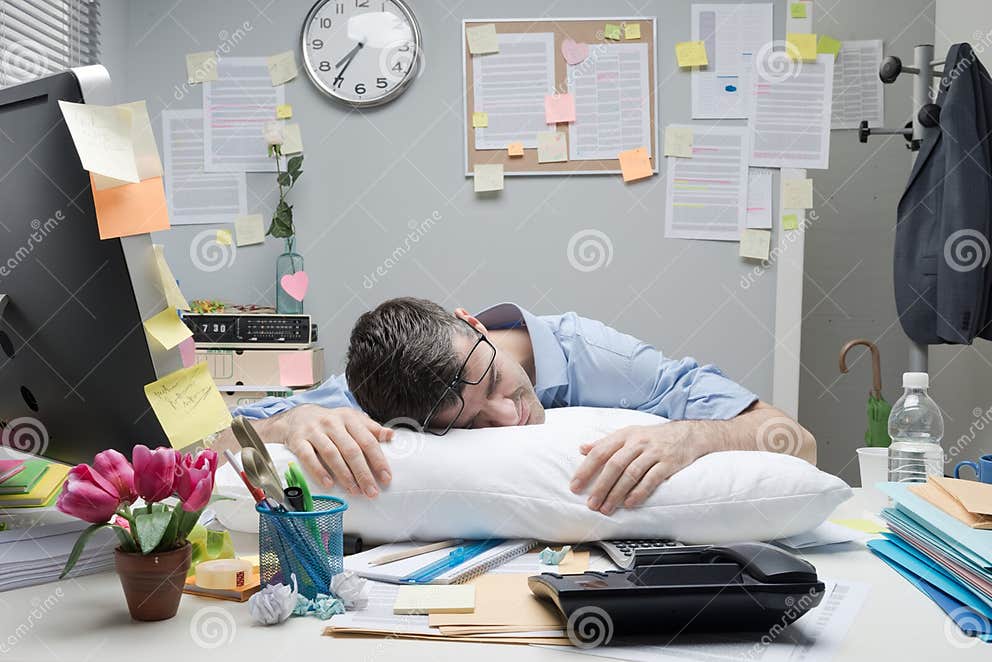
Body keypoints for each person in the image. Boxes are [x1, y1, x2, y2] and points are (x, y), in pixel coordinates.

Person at [215, 298, 815, 515]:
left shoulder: (598, 357)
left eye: (493, 382)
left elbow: (795, 440)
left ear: (473, 324)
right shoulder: (378, 390)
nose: (507, 417)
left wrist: (694, 437)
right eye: (472, 422)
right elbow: (210, 447)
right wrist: (293, 421)